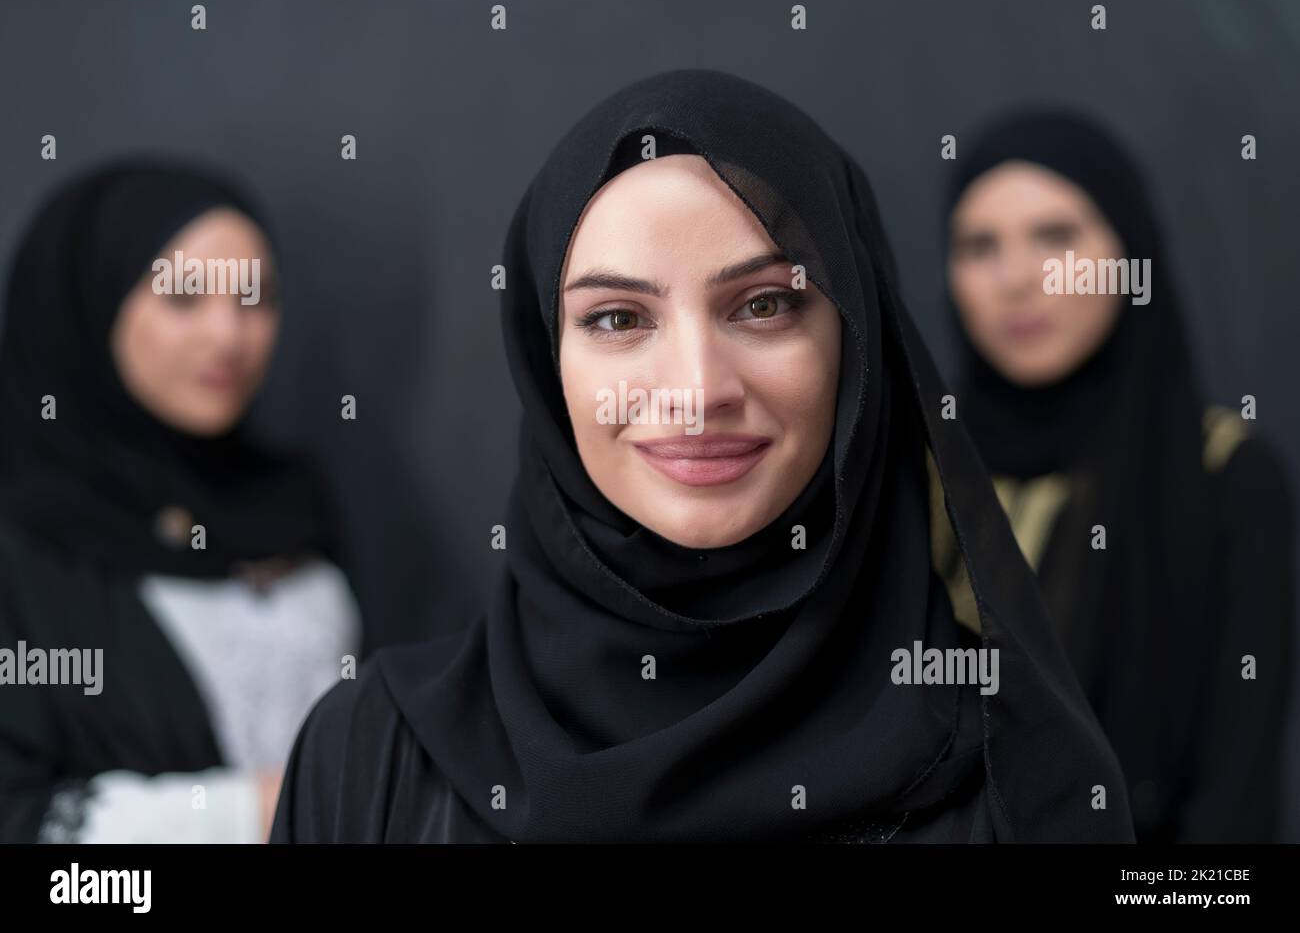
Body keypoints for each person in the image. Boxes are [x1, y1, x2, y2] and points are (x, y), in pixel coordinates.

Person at [272, 70, 1133, 843]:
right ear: (547, 365)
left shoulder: (1014, 782)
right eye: (618, 319)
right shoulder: (371, 757)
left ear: (859, 342)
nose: (695, 388)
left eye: (763, 305)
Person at [942, 110, 1294, 841]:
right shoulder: (922, 475)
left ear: (1128, 252)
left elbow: (1233, 818)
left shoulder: (1226, 478)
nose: (1014, 279)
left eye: (1056, 237)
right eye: (979, 245)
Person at [0, 161, 361, 842]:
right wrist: (261, 809)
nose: (229, 335)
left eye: (254, 298)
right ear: (94, 302)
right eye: (185, 297)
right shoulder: (24, 541)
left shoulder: (289, 500)